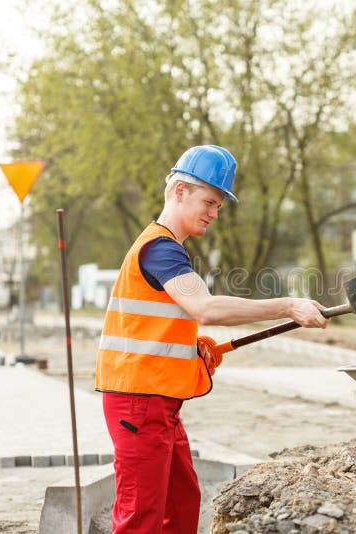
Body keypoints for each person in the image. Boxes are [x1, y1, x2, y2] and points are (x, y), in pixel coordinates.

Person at [95, 145, 329, 532]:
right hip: (139, 404)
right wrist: (287, 306)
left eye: (219, 205)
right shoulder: (160, 250)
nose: (215, 213)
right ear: (179, 191)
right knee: (142, 518)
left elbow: (158, 326)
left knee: (182, 503)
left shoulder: (167, 252)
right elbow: (205, 308)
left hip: (159, 403)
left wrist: (191, 350)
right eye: (209, 201)